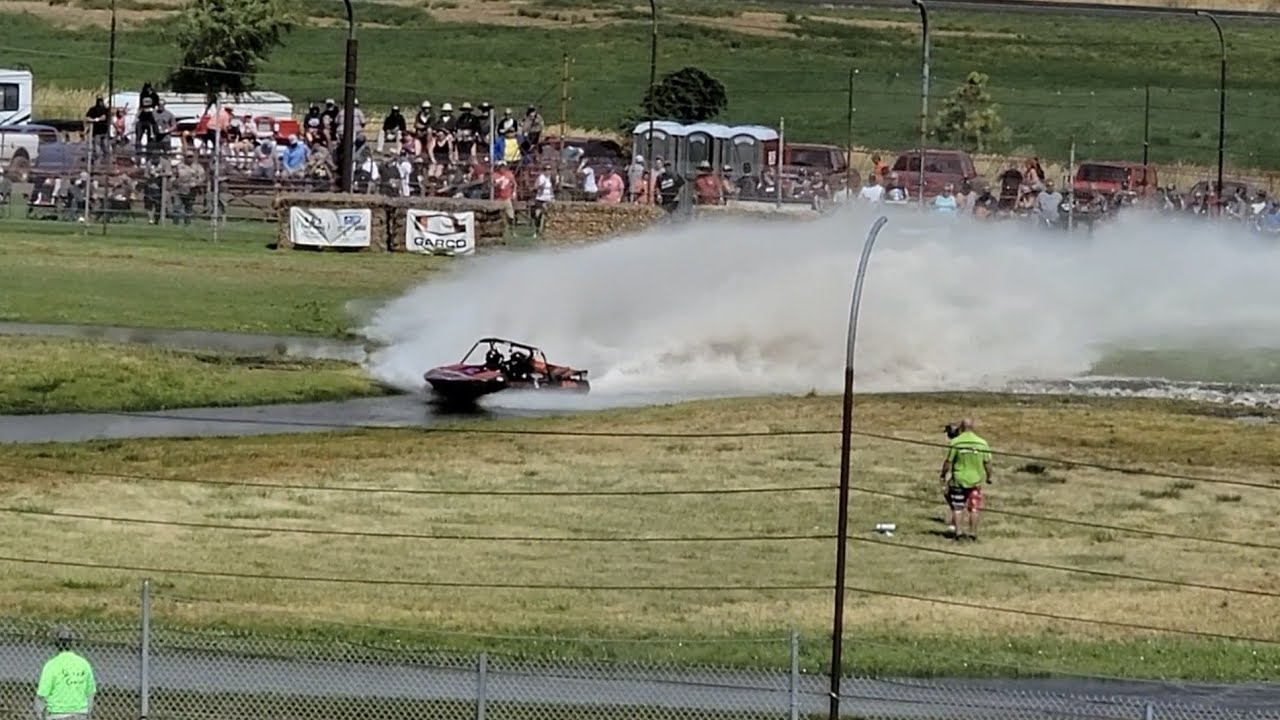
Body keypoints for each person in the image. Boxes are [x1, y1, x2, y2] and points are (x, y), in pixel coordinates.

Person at [938, 418, 993, 541]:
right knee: (974, 508)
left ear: (961, 428)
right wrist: (989, 476)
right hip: (975, 481)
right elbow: (988, 463)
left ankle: (958, 533)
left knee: (958, 508)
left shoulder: (956, 442)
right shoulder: (982, 443)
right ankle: (973, 534)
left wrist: (943, 474)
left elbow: (948, 461)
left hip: (958, 480)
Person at [35, 625, 95, 720]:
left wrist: (40, 714)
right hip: (80, 713)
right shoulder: (84, 664)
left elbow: (41, 696)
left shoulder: (51, 665)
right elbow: (90, 694)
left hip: (56, 714)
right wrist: (87, 712)